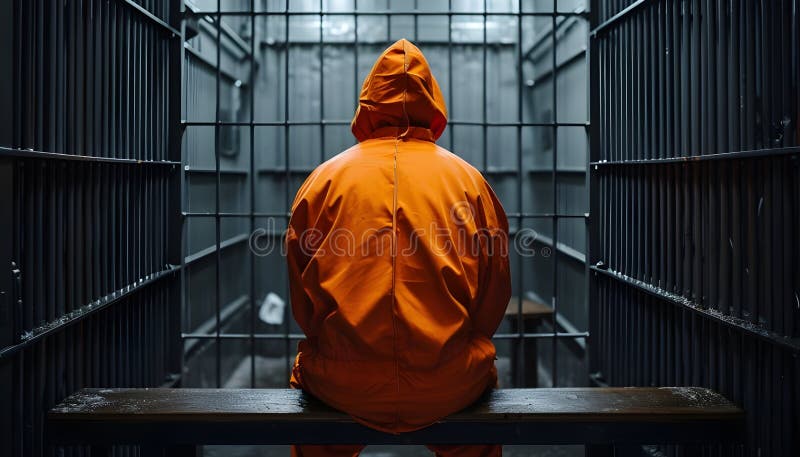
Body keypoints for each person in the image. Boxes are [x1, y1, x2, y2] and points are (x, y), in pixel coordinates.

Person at [286, 38, 511, 457]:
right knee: (476, 417)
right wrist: (462, 346)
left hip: (343, 381)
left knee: (314, 403)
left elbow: (304, 302)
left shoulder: (323, 180)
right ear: (432, 102)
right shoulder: (469, 182)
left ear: (368, 103)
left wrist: (336, 346)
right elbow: (493, 295)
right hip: (448, 380)